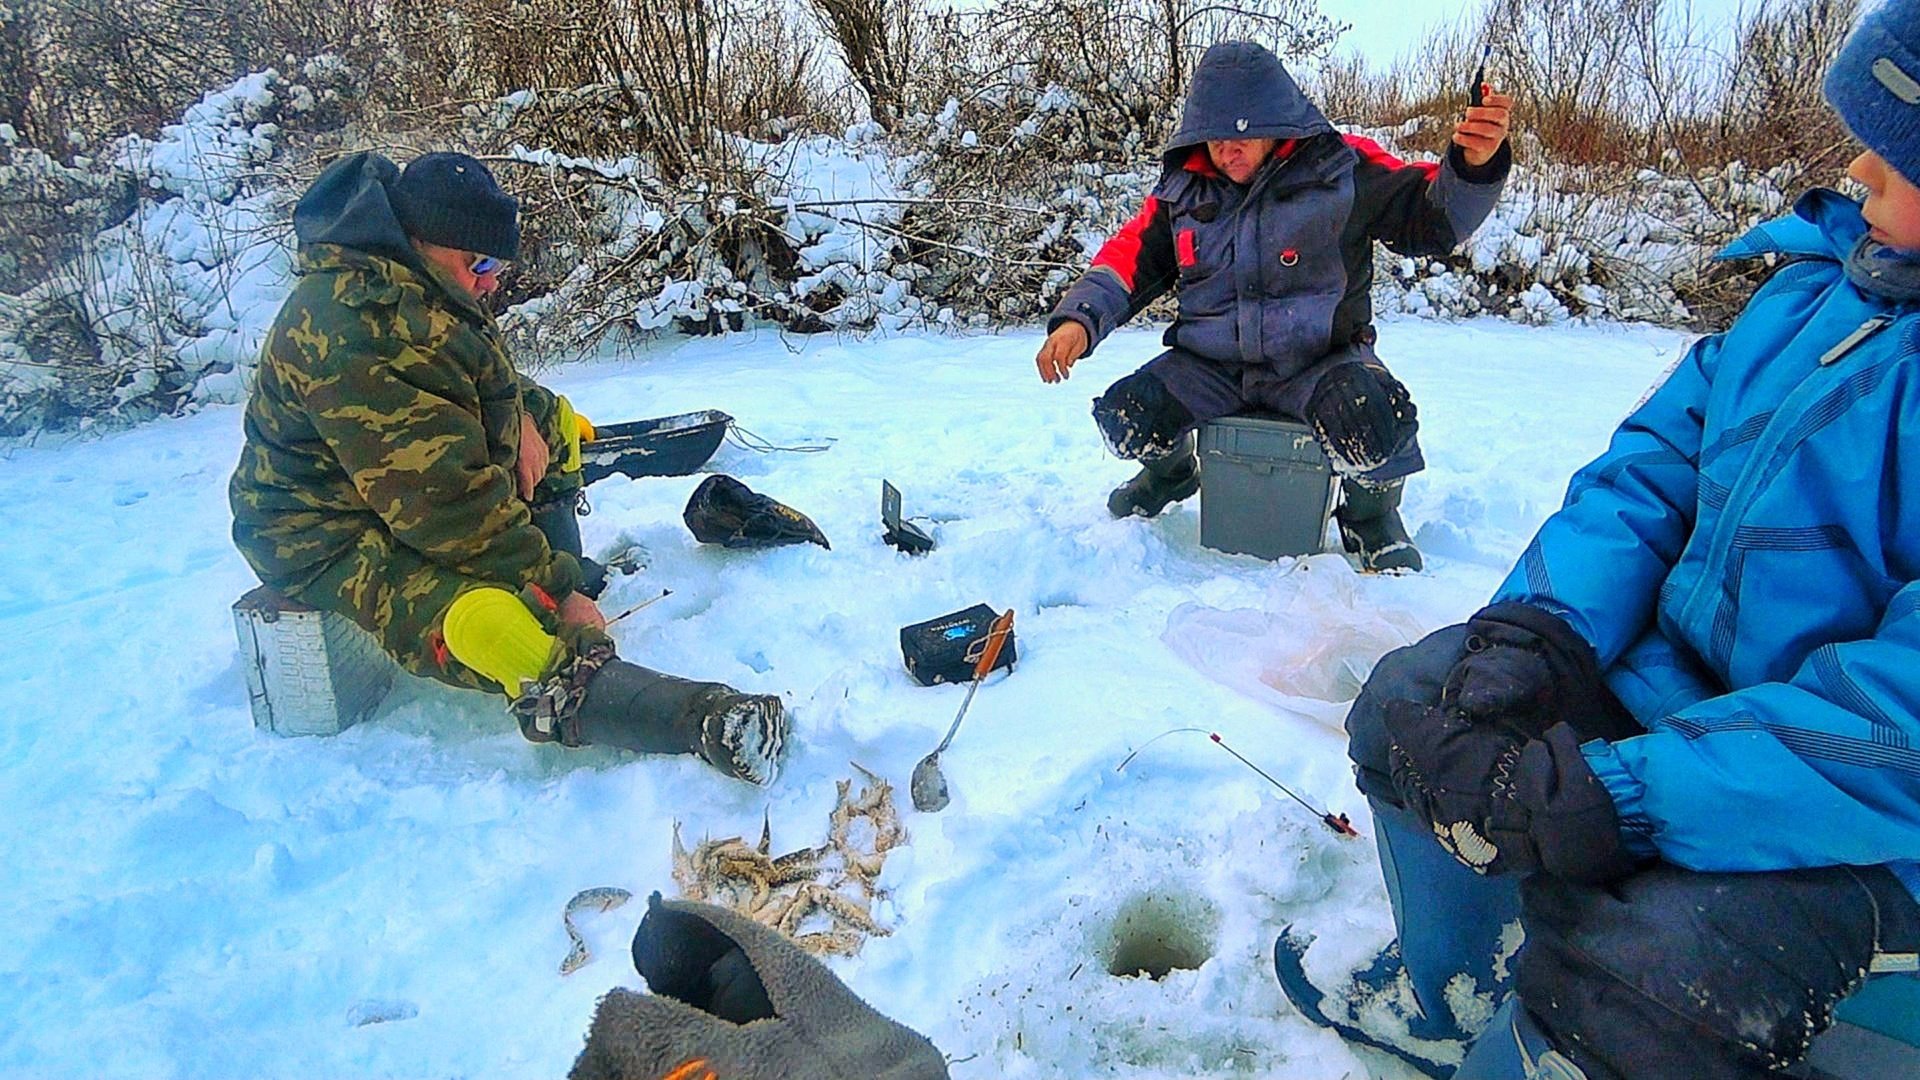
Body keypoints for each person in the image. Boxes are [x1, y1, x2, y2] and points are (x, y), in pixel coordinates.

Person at [1272, 6, 1920, 1076]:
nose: (1857, 165)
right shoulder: (1817, 285)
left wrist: (1628, 795)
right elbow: (1649, 476)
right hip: (1696, 697)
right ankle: (1449, 997)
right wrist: (1534, 636)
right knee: (1416, 705)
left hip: (1865, 811)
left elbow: (1896, 725)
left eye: (1900, 154)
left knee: (1633, 982)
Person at [228, 151, 788, 784]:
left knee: (554, 424)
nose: (492, 282)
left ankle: (556, 573)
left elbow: (459, 369)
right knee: (483, 615)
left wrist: (527, 414)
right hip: (323, 532)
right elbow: (450, 510)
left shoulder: (411, 278)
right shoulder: (361, 326)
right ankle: (658, 711)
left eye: (496, 265)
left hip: (406, 492)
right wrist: (553, 589)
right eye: (481, 265)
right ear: (421, 242)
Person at [1035, 40, 1514, 572]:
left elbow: (1431, 216)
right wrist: (1079, 318)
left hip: (1319, 361)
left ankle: (1370, 516)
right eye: (1213, 139)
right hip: (1209, 365)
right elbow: (1127, 260)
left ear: (1279, 124)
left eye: (1241, 137)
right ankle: (1170, 473)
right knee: (1128, 414)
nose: (1225, 151)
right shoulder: (1183, 191)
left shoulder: (1343, 168)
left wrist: (1473, 166)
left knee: (1374, 419)